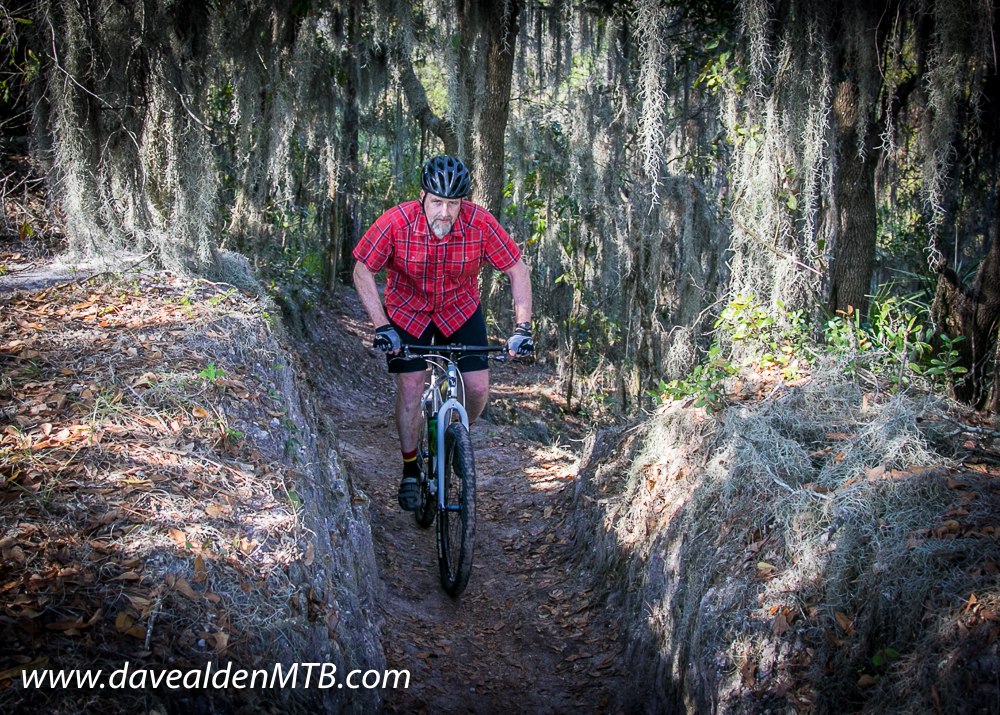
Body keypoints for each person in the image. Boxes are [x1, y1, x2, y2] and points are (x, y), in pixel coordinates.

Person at [352, 155, 534, 511]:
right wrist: (381, 326)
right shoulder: (396, 221)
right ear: (423, 197)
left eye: (453, 203)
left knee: (479, 387)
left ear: (463, 202)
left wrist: (522, 327)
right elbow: (362, 270)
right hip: (407, 312)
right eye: (438, 202)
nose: (445, 212)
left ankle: (454, 439)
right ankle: (409, 468)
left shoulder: (480, 223)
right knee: (411, 387)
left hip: (460, 309)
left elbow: (516, 269)